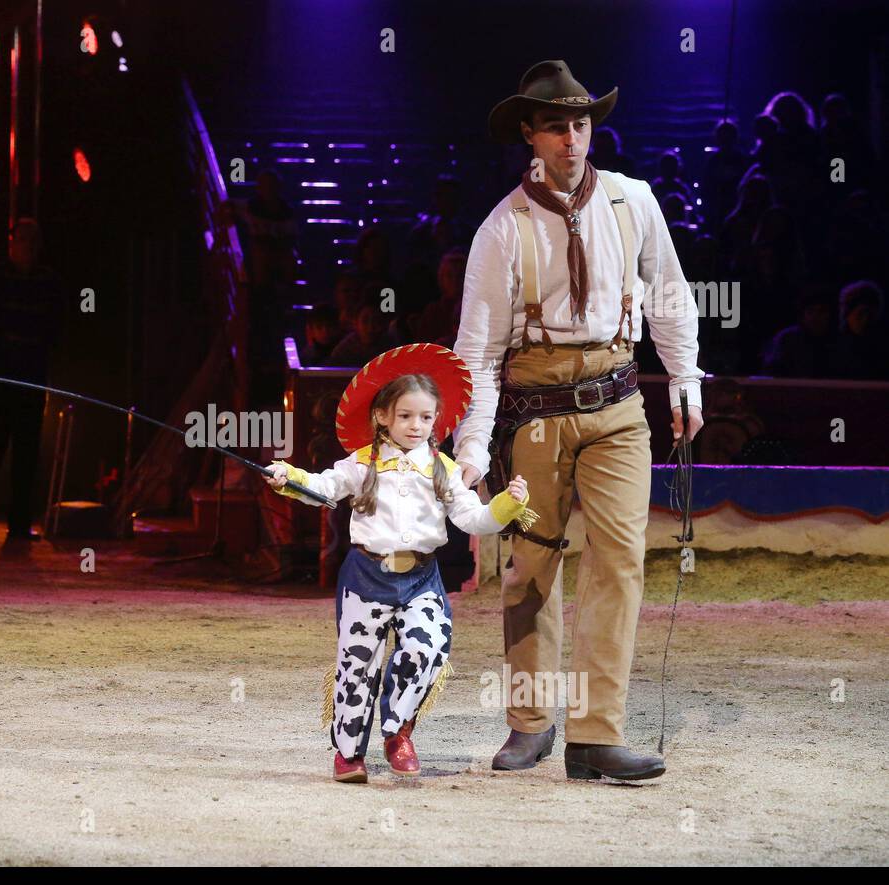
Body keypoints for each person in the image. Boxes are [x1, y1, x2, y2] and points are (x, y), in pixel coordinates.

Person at [456, 60, 704, 781]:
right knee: (530, 563)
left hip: (619, 405)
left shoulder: (632, 201)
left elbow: (669, 294)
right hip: (536, 410)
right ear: (529, 135)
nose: (572, 137)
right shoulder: (502, 229)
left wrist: (684, 378)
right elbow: (476, 352)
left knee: (620, 559)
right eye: (557, 126)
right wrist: (473, 445)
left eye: (581, 122)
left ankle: (596, 732)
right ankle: (531, 721)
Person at [263, 344, 533, 783]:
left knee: (428, 646)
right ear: (383, 417)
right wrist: (289, 478)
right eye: (406, 416)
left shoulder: (443, 468)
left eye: (425, 418)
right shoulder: (363, 463)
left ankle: (397, 729)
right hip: (366, 577)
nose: (416, 425)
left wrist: (505, 505)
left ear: (436, 421)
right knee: (358, 665)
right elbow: (324, 486)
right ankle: (348, 752)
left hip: (421, 579)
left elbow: (472, 517)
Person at [0, 217, 63, 546]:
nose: (28, 248)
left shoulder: (46, 281)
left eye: (33, 241)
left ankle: (18, 526)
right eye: (23, 240)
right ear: (12, 243)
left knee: (26, 455)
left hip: (30, 380)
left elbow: (56, 326)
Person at [329, 301, 400, 366]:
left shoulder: (392, 348)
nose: (370, 327)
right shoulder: (344, 349)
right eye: (365, 321)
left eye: (376, 320)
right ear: (355, 323)